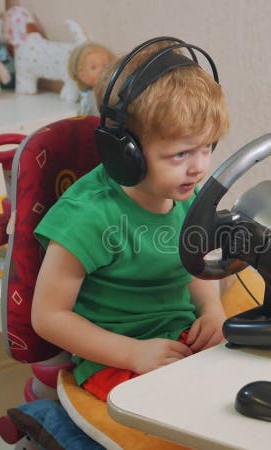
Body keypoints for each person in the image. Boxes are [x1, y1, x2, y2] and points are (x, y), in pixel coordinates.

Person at [31, 39, 229, 401]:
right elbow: (48, 317)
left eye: (207, 147)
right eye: (180, 153)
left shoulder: (185, 193)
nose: (199, 166)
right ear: (126, 153)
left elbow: (194, 266)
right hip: (115, 357)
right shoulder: (88, 216)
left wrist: (212, 310)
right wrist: (132, 353)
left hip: (180, 340)